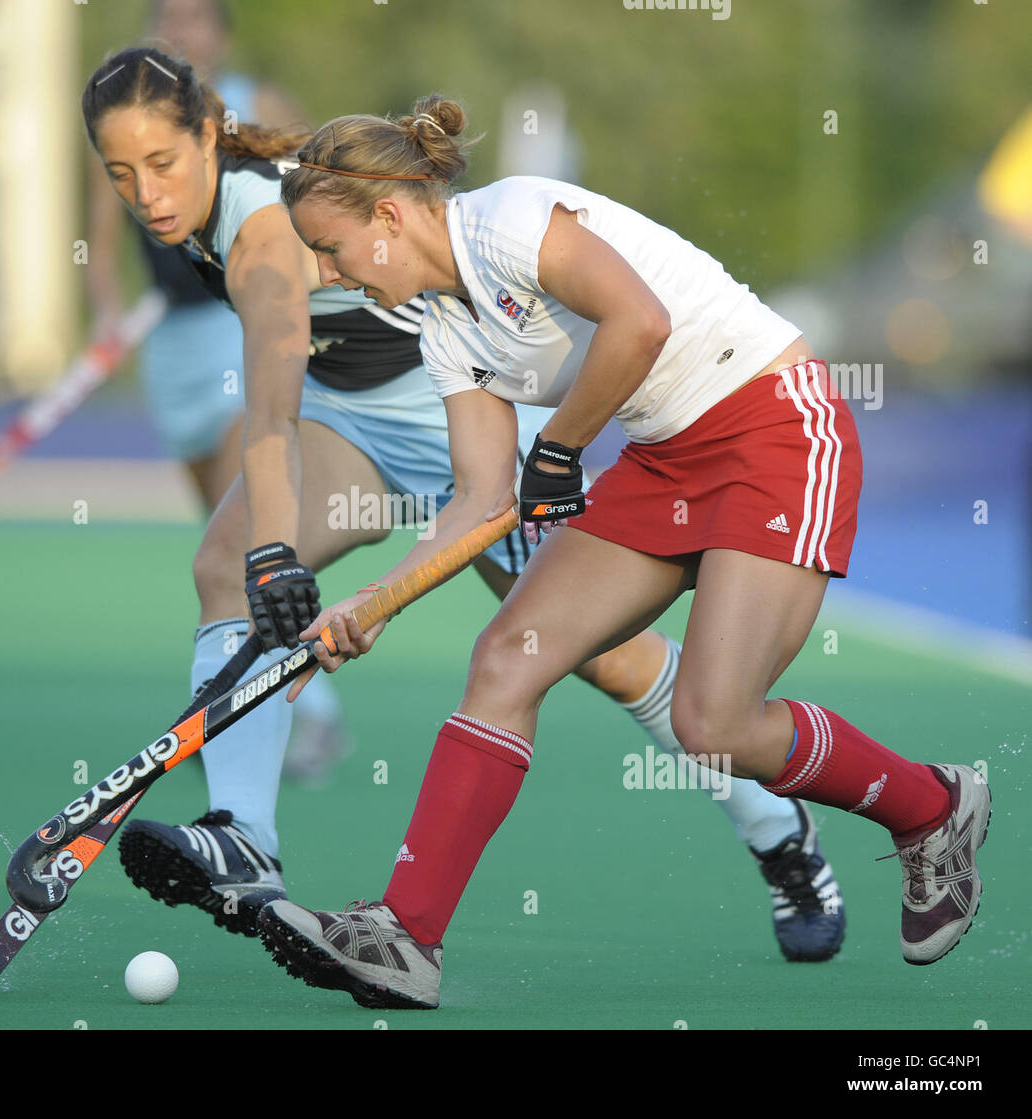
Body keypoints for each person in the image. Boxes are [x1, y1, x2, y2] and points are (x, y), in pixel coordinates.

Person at [81, 49, 849, 962]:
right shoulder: (208, 215)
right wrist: (261, 558)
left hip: (457, 418)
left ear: (208, 132)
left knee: (603, 657)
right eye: (121, 175)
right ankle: (244, 834)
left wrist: (275, 556)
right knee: (221, 566)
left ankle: (779, 830)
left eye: (163, 163)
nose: (146, 194)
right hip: (356, 422)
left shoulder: (260, 234)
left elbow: (273, 415)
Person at [256, 96, 991, 1009]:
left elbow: (636, 321)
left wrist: (559, 449)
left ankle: (932, 807)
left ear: (391, 215)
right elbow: (482, 497)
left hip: (773, 426)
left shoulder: (511, 221)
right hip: (663, 457)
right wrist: (370, 602)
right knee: (505, 659)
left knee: (713, 724)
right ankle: (405, 936)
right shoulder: (443, 328)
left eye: (331, 248)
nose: (327, 275)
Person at [85, 0, 346, 780]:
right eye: (170, 14)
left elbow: (276, 403)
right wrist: (106, 314)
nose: (145, 190)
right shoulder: (129, 118)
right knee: (226, 541)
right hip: (176, 342)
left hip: (250, 336)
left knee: (250, 541)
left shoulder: (255, 130)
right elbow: (103, 238)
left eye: (197, 16)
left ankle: (304, 724)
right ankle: (247, 811)